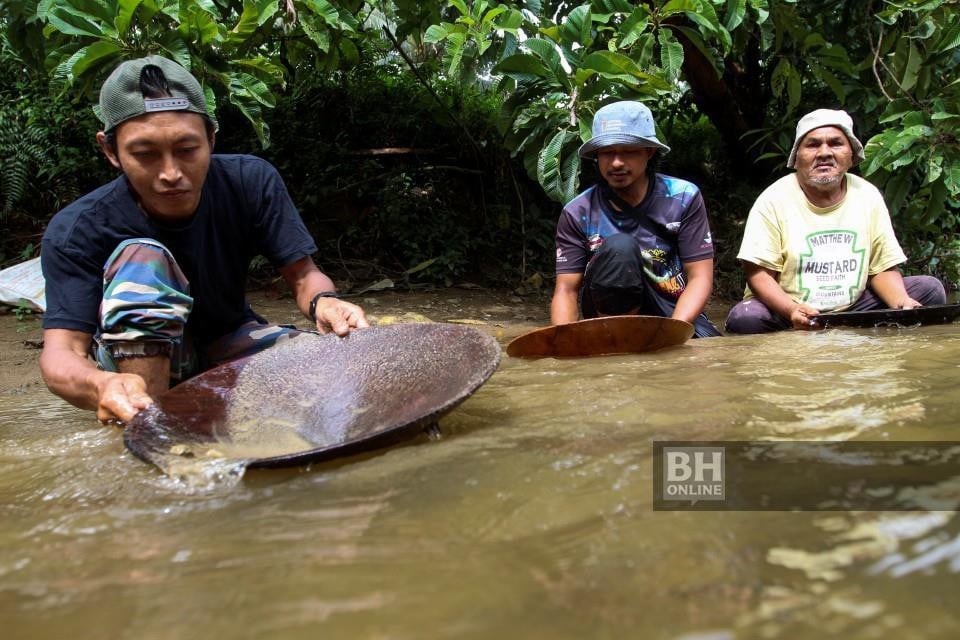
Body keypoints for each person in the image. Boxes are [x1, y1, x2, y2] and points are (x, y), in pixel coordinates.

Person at [39, 55, 368, 425]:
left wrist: (325, 303)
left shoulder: (250, 181)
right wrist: (101, 384)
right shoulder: (77, 229)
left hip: (230, 342)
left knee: (333, 370)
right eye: (145, 154)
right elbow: (62, 353)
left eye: (187, 149)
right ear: (110, 151)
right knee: (143, 258)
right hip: (138, 368)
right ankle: (154, 430)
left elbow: (304, 276)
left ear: (211, 138)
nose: (171, 173)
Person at [725, 108, 946, 334]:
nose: (824, 153)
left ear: (851, 155)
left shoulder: (867, 195)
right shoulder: (773, 200)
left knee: (929, 290)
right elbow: (758, 274)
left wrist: (901, 303)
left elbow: (882, 268)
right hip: (787, 310)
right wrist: (792, 310)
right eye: (812, 145)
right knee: (746, 318)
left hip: (853, 308)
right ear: (797, 157)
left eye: (835, 143)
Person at [551, 101, 721, 337]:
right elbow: (566, 290)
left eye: (628, 151)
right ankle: (618, 337)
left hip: (669, 308)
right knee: (620, 247)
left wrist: (673, 331)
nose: (617, 162)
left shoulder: (683, 197)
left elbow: (700, 278)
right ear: (597, 156)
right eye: (608, 153)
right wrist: (564, 340)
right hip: (605, 312)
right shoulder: (577, 211)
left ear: (649, 152)